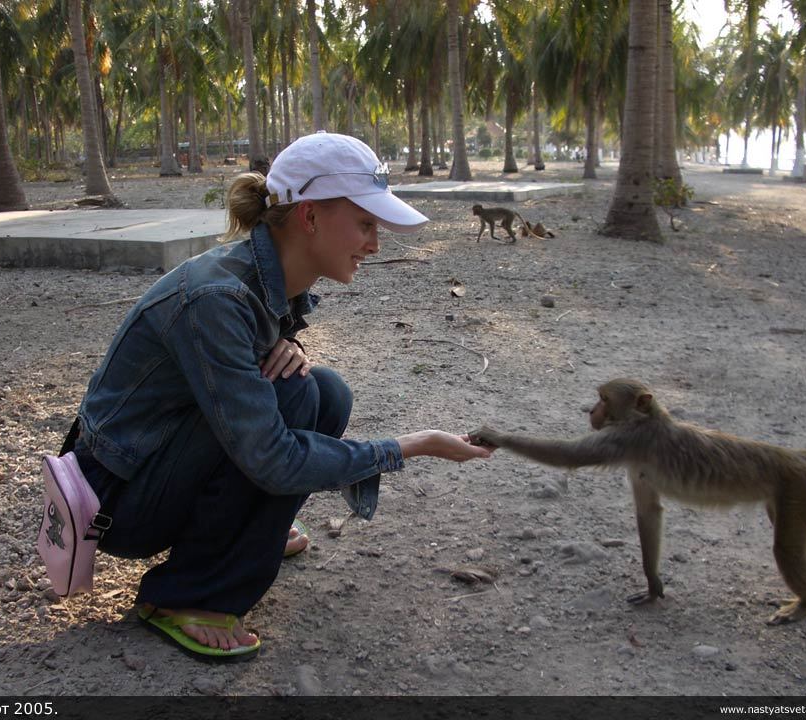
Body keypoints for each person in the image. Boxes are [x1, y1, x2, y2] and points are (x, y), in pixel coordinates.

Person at [69, 131, 493, 663]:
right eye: (365, 224)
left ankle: (250, 533)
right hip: (115, 502)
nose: (375, 245)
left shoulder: (270, 277)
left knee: (325, 393)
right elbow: (272, 457)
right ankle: (184, 595)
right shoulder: (217, 297)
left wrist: (286, 344)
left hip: (155, 470)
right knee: (295, 398)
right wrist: (411, 446)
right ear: (310, 216)